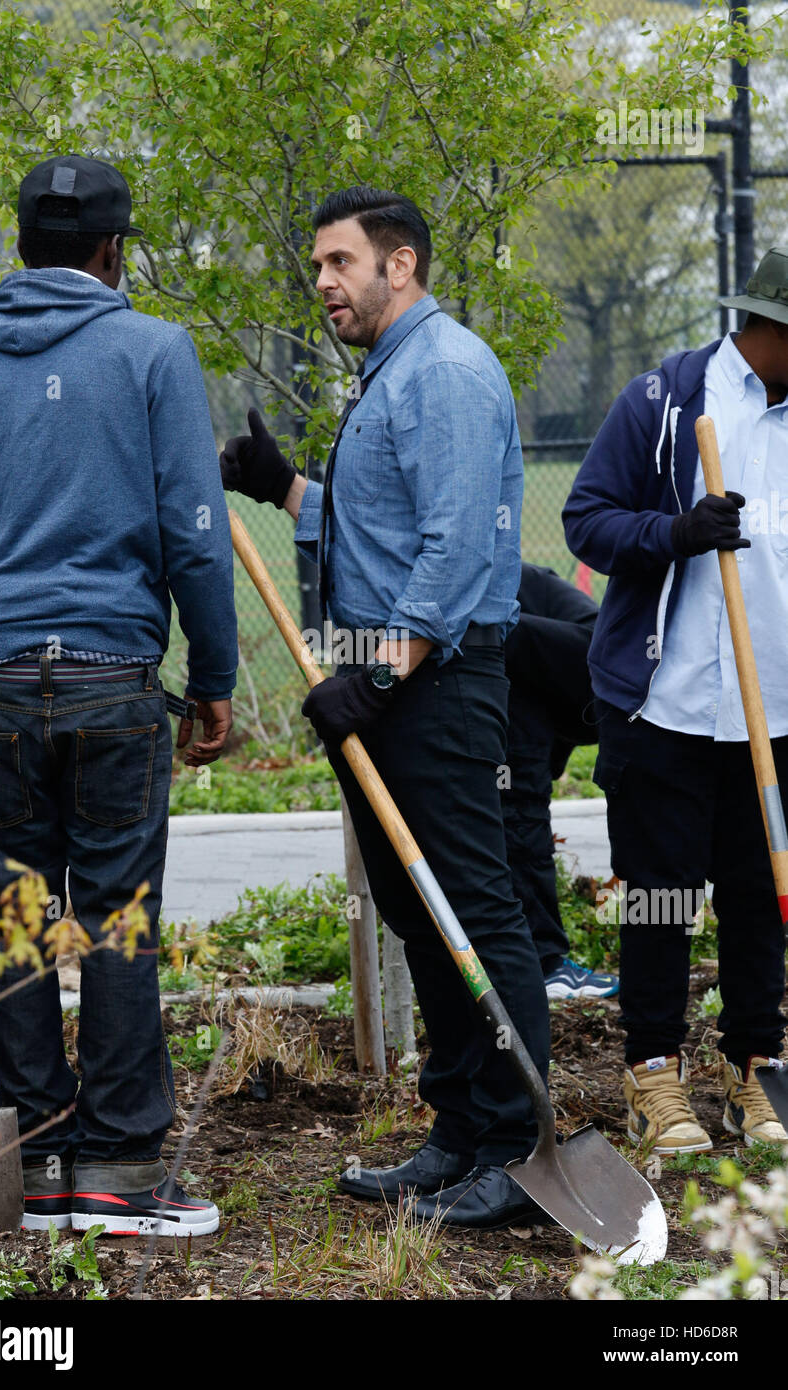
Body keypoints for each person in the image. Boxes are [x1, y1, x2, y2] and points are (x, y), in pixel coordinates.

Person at [221, 185, 551, 1229]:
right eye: (317, 264)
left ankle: (517, 1145)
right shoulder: (391, 373)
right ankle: (456, 1133)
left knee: (473, 911)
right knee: (419, 914)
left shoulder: (445, 370)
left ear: (396, 264)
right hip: (389, 684)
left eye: (337, 262)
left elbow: (453, 545)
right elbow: (388, 523)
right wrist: (288, 491)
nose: (320, 281)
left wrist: (379, 672)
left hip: (435, 686)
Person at [0, 155, 238, 1232]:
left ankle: (35, 1150)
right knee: (113, 919)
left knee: (13, 918)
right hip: (111, 683)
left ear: (19, 246)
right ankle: (119, 1169)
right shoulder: (153, 351)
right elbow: (196, 537)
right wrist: (214, 679)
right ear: (113, 251)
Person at [562, 246, 788, 1153]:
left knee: (761, 896)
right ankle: (652, 1074)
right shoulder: (666, 401)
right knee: (661, 898)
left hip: (776, 711)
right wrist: (677, 532)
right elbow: (588, 518)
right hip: (668, 705)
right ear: (771, 328)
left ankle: (753, 1070)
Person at [505, 562, 618, 1000]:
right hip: (549, 679)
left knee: (518, 815)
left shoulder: (530, 608)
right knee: (514, 814)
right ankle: (540, 963)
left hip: (578, 672)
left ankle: (544, 963)